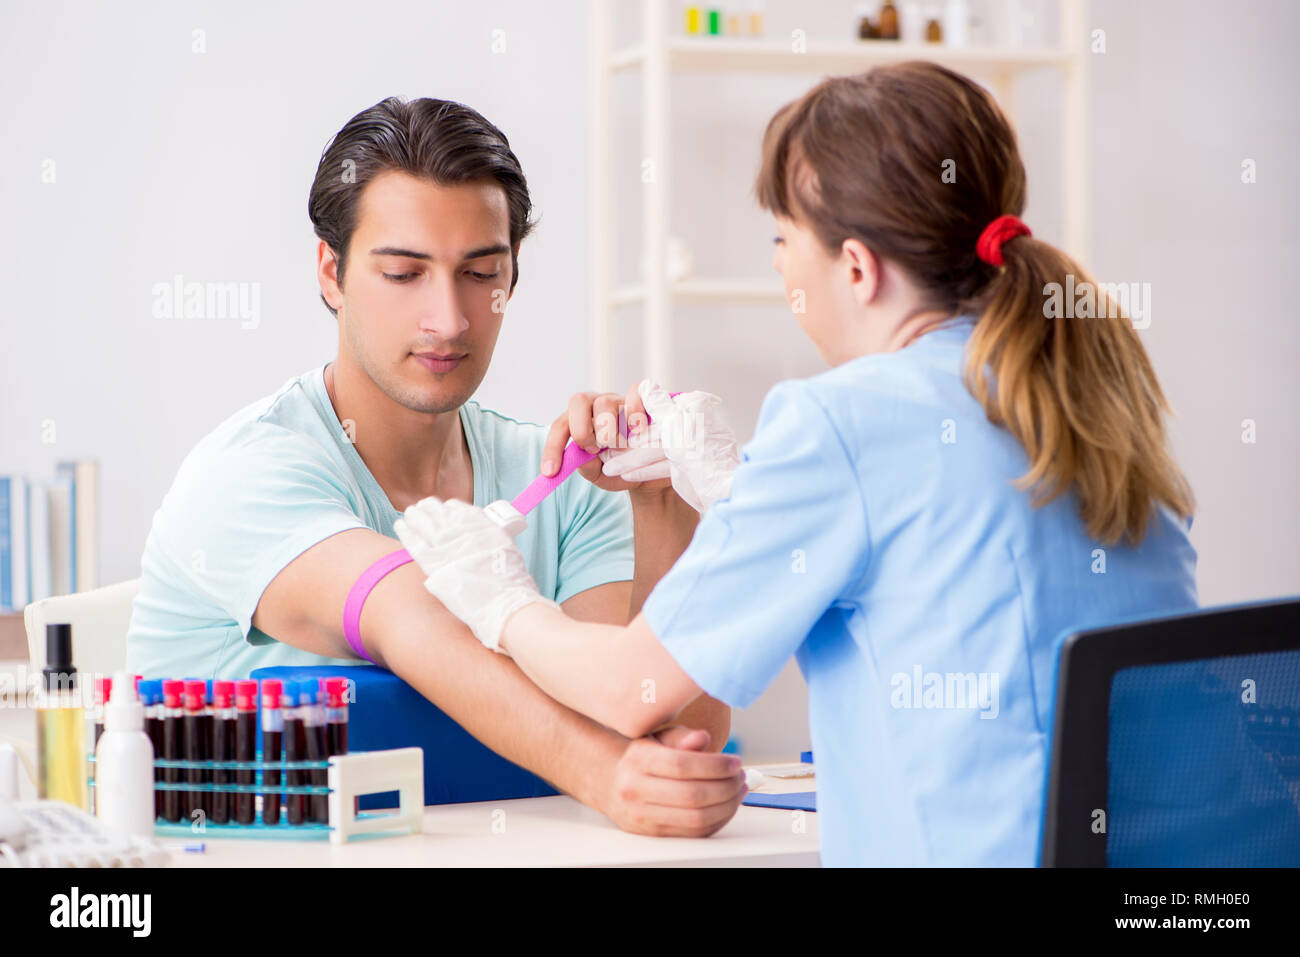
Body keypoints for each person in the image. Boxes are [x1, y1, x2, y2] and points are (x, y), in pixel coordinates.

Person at [392, 62, 1200, 866]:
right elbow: (932, 556)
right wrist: (736, 491)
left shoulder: (839, 419)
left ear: (855, 268)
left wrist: (498, 596)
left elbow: (628, 689)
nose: (779, 265)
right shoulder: (1090, 399)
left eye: (783, 239)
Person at [124, 96, 743, 838]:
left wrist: (659, 499)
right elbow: (409, 616)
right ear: (331, 272)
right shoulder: (250, 472)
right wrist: (605, 772)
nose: (448, 319)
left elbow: (658, 712)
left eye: (482, 272)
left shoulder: (559, 477)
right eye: (404, 274)